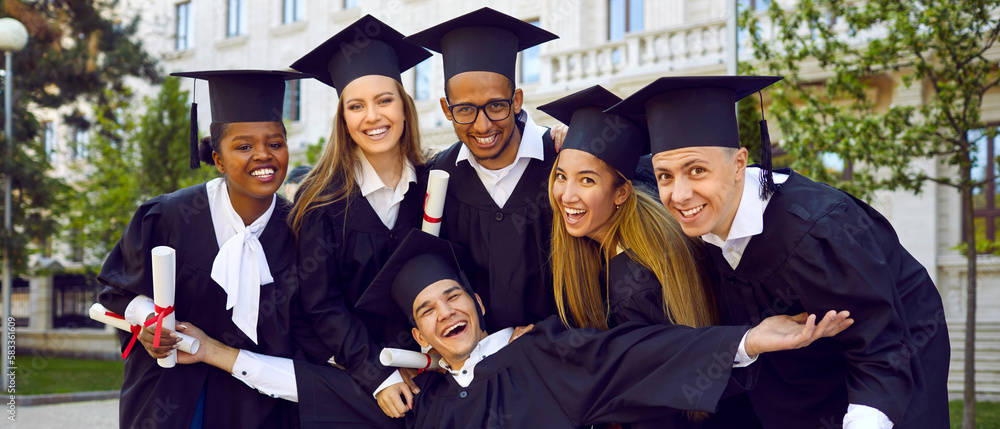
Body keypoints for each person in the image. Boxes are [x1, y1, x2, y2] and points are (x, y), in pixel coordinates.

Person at [174, 228, 855, 428]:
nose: (445, 314)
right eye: (427, 312)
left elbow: (637, 353)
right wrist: (208, 350)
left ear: (475, 300)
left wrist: (745, 340)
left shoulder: (547, 354)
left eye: (451, 297)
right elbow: (305, 384)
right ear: (420, 335)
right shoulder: (418, 398)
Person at [608, 75, 951, 429]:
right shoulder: (706, 219)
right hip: (803, 375)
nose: (679, 195)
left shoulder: (816, 230)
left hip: (892, 360)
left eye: (697, 170)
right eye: (665, 176)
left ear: (739, 164)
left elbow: (880, 349)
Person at [97, 70, 311, 428]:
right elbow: (118, 293)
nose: (263, 155)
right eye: (244, 146)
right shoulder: (168, 215)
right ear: (218, 159)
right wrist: (150, 321)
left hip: (258, 407)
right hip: (171, 398)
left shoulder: (303, 231)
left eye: (275, 143)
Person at [539, 85, 763, 429]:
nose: (567, 195)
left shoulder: (635, 285)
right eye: (561, 176)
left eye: (587, 180)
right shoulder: (646, 227)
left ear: (621, 193)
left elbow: (660, 394)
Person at [286, 15, 433, 398]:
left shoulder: (435, 185)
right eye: (356, 106)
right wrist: (377, 376)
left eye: (385, 100)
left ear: (403, 107)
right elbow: (322, 305)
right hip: (353, 382)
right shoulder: (320, 200)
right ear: (343, 118)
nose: (372, 117)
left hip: (432, 375)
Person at [404, 7, 562, 330]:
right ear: (446, 110)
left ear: (517, 100)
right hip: (479, 369)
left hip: (565, 357)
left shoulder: (562, 162)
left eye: (496, 105)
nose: (482, 125)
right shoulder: (438, 179)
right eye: (464, 110)